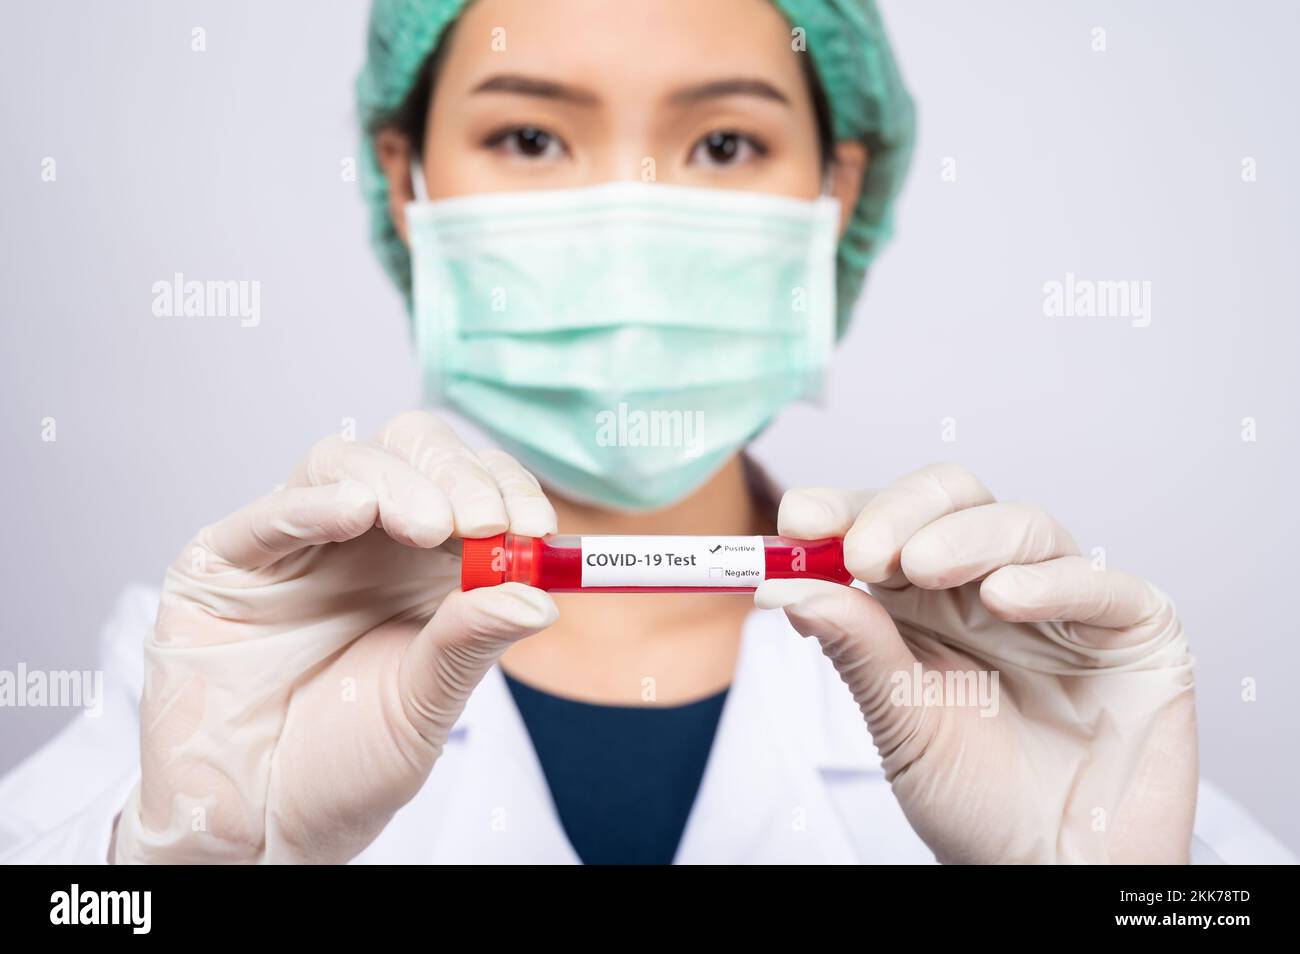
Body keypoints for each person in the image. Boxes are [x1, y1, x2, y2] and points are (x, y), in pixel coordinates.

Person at [1, 0, 1292, 865]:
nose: (626, 216)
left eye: (725, 140)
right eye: (528, 134)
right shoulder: (205, 670)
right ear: (407, 182)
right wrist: (169, 881)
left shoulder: (1032, 692)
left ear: (837, 191)